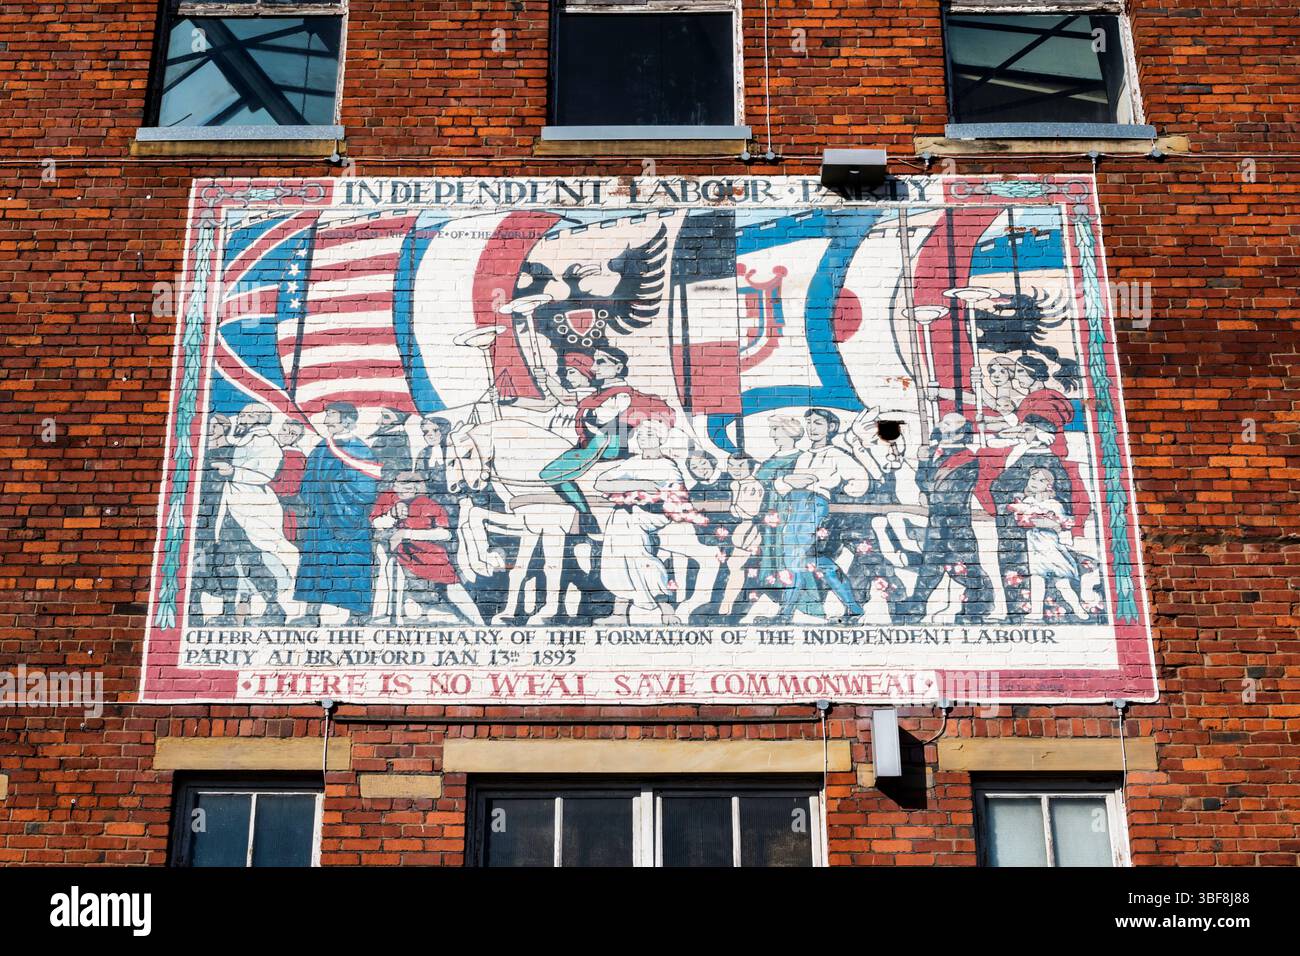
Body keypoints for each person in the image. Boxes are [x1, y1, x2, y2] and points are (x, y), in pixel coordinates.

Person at [539, 345, 674, 536]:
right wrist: (546, 379)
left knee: (548, 474)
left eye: (601, 362)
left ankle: (586, 515)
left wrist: (588, 414)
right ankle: (585, 515)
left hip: (605, 446)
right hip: (591, 443)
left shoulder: (621, 394)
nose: (595, 367)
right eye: (596, 362)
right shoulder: (599, 393)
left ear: (618, 368)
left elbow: (601, 421)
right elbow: (567, 398)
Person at [593, 421, 702, 625]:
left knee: (636, 548)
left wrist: (634, 490)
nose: (644, 439)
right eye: (641, 436)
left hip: (651, 515)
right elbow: (600, 482)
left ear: (660, 439)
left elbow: (674, 496)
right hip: (626, 515)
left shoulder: (667, 465)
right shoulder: (632, 463)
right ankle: (620, 614)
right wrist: (640, 484)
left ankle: (665, 608)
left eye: (649, 435)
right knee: (618, 555)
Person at [774, 409, 871, 622]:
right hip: (795, 507)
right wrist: (787, 483)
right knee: (811, 561)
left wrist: (832, 490)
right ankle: (853, 608)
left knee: (796, 559)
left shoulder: (836, 454)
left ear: (831, 428)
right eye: (809, 423)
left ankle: (784, 614)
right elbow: (784, 484)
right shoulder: (804, 456)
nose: (812, 428)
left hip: (813, 506)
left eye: (818, 423)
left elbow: (860, 480)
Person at [898, 413, 993, 624]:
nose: (946, 427)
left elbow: (950, 491)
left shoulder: (967, 458)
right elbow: (922, 480)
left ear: (962, 433)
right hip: (937, 522)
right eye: (945, 422)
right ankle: (916, 608)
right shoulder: (932, 452)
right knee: (930, 567)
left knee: (967, 567)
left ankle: (975, 609)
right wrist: (923, 464)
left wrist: (928, 493)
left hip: (956, 523)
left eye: (953, 425)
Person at [294, 402, 381, 625]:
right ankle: (312, 614)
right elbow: (307, 483)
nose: (326, 419)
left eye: (332, 415)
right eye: (327, 415)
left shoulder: (360, 450)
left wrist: (335, 497)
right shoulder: (321, 448)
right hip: (321, 520)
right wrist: (316, 497)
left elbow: (365, 489)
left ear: (347, 420)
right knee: (315, 565)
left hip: (348, 522)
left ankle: (356, 615)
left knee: (350, 566)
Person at [213, 404, 300, 626]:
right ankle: (227, 612)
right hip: (232, 507)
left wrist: (233, 471)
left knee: (253, 560)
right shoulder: (244, 438)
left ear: (261, 420)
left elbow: (264, 474)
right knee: (226, 560)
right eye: (242, 414)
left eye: (249, 415)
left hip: (251, 509)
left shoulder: (266, 442)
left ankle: (273, 608)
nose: (242, 418)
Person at [371, 471, 482, 625]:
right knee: (389, 565)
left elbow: (445, 534)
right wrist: (391, 515)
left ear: (417, 487)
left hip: (430, 554)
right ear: (395, 485)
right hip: (400, 553)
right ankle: (389, 617)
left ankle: (480, 623)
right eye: (401, 485)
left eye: (410, 486)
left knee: (452, 586)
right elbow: (375, 523)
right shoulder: (387, 499)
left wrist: (408, 533)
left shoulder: (430, 505)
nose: (405, 489)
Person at [1008, 468, 1091, 622]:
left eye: (1040, 480)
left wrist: (1045, 522)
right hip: (1035, 548)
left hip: (1051, 547)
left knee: (1062, 583)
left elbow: (1060, 524)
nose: (1034, 483)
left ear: (1049, 485)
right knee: (1036, 579)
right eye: (1032, 479)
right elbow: (1020, 520)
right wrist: (1027, 518)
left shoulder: (1053, 504)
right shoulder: (1027, 503)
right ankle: (1036, 612)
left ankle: (1078, 608)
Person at [717, 452, 766, 618]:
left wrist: (733, 509)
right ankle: (727, 604)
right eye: (732, 466)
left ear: (751, 468)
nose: (735, 470)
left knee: (735, 566)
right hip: (740, 530)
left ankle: (727, 605)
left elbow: (750, 510)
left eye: (740, 466)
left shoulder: (753, 486)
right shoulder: (735, 485)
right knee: (734, 566)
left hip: (748, 529)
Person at [270, 419, 307, 543]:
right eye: (284, 430)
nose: (286, 435)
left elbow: (290, 486)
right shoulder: (276, 451)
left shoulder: (294, 456)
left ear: (298, 438)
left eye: (293, 434)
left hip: (284, 506)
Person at [370, 407, 414, 483]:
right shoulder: (386, 436)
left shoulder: (398, 439)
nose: (379, 422)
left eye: (386, 417)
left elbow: (405, 466)